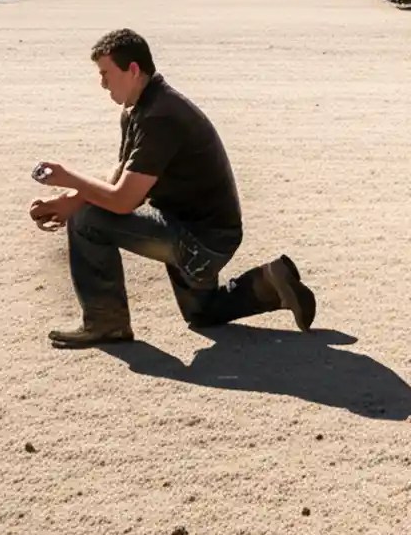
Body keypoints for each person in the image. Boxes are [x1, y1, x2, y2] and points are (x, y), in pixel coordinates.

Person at [29, 29, 316, 348]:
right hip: (199, 233)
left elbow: (124, 201)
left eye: (106, 73)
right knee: (202, 313)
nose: (103, 83)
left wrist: (68, 179)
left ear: (133, 70)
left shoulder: (160, 116)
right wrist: (69, 200)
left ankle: (105, 323)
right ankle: (272, 281)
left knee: (87, 220)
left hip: (201, 243)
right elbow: (120, 178)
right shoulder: (141, 108)